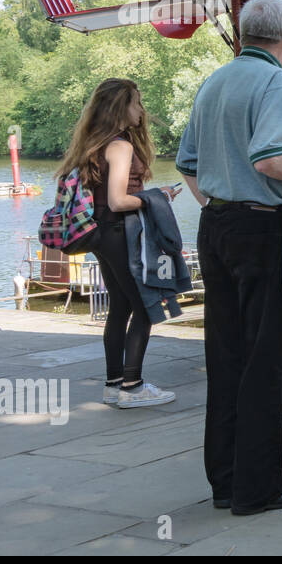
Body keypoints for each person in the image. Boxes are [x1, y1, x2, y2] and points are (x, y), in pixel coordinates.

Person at [176, 0, 282, 516]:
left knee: (227, 356)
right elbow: (270, 159)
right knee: (272, 360)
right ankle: (260, 487)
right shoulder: (277, 81)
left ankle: (226, 480)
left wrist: (219, 202)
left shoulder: (215, 80)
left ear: (243, 35)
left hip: (215, 226)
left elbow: (187, 161)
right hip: (261, 229)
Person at [57, 79, 178, 408]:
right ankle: (132, 386)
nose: (141, 110)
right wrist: (158, 197)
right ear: (120, 107)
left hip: (102, 234)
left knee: (120, 307)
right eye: (136, 102)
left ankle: (114, 385)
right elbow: (118, 200)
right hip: (120, 231)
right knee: (144, 308)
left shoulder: (96, 144)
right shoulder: (121, 146)